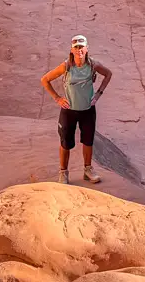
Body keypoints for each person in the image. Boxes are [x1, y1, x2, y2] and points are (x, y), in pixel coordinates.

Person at [40, 34, 113, 184]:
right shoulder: (66, 66)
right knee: (65, 142)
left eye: (82, 47)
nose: (79, 50)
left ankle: (87, 170)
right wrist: (57, 98)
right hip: (69, 111)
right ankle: (63, 173)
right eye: (76, 47)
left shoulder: (93, 65)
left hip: (87, 110)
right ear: (72, 50)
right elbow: (45, 79)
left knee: (88, 141)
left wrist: (98, 94)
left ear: (87, 49)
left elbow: (108, 74)